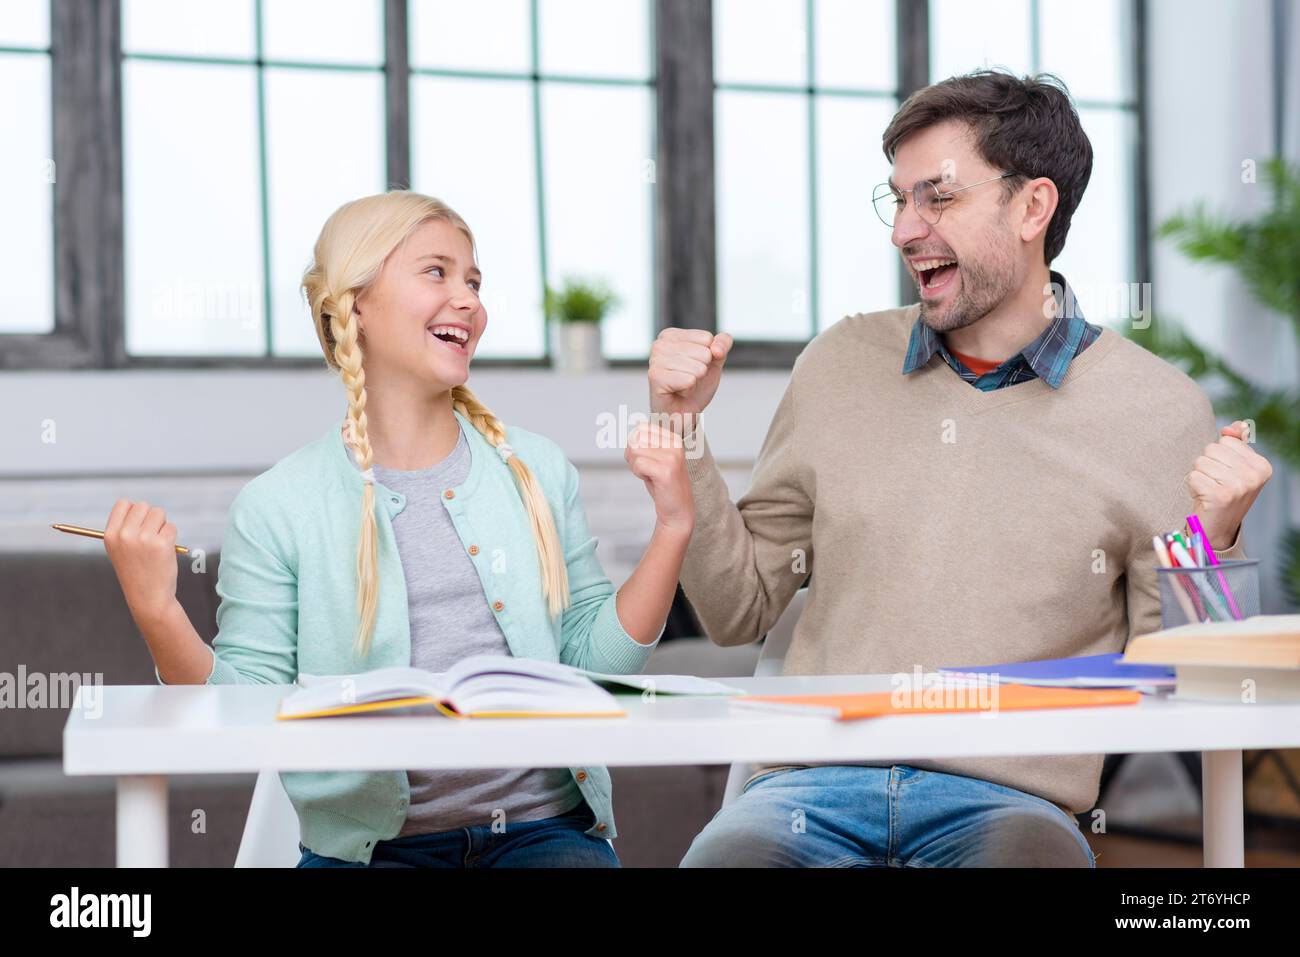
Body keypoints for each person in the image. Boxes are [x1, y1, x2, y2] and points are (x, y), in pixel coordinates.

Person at [652, 70, 1273, 867]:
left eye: (936, 197)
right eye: (898, 199)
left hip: (1011, 805)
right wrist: (683, 426)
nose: (905, 229)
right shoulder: (839, 363)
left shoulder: (1157, 409)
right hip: (805, 794)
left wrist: (1212, 543)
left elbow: (1189, 696)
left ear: (1032, 207)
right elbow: (735, 612)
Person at [103, 190, 694, 867]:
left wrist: (673, 526)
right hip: (373, 853)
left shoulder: (536, 468)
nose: (468, 298)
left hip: (543, 833)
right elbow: (244, 715)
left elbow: (592, 668)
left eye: (474, 279)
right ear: (357, 304)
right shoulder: (277, 506)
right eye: (437, 272)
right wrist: (158, 611)